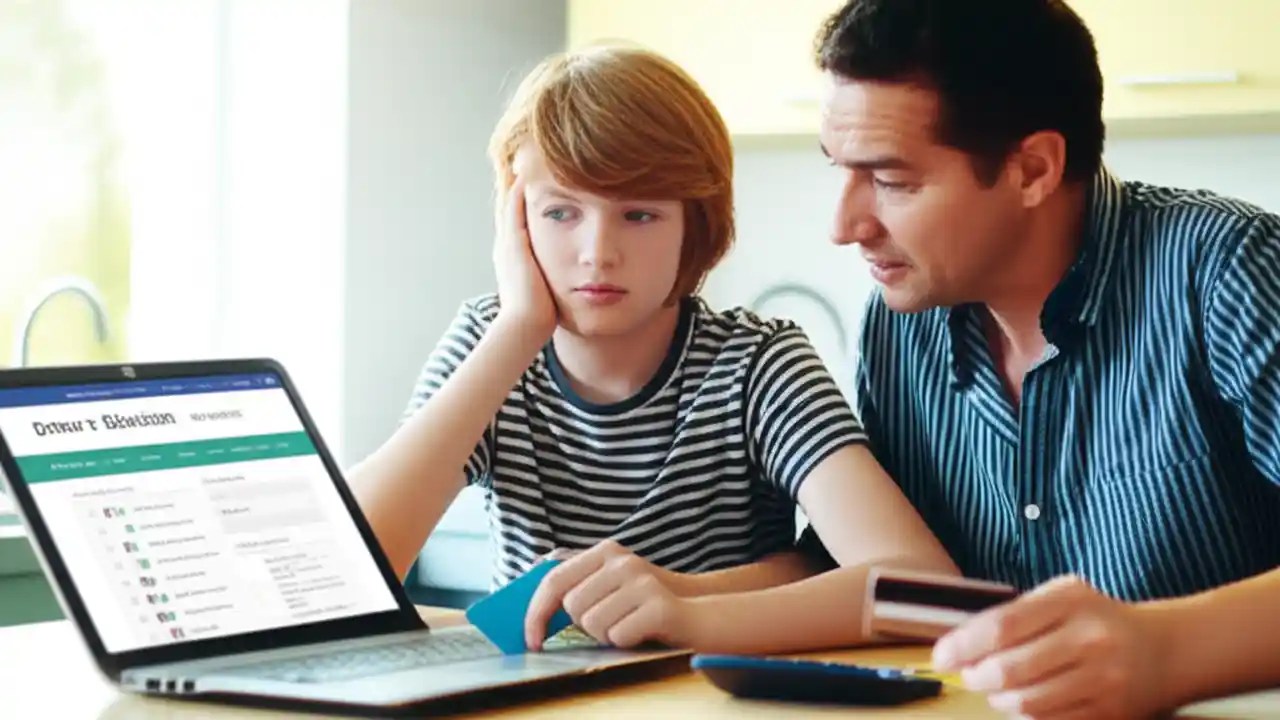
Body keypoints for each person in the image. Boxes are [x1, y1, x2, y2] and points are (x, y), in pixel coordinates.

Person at [348, 45, 958, 655]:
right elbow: (346, 575)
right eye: (560, 212)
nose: (597, 251)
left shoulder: (755, 364)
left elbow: (923, 589)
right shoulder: (492, 345)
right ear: (516, 221)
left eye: (639, 214)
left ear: (698, 225)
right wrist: (516, 330)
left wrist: (684, 612)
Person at [798, 0, 1280, 717]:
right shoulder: (904, 325)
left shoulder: (1228, 274)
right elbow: (879, 577)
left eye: (893, 182)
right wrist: (677, 598)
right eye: (839, 170)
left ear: (1033, 169)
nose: (844, 226)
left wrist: (1166, 650)